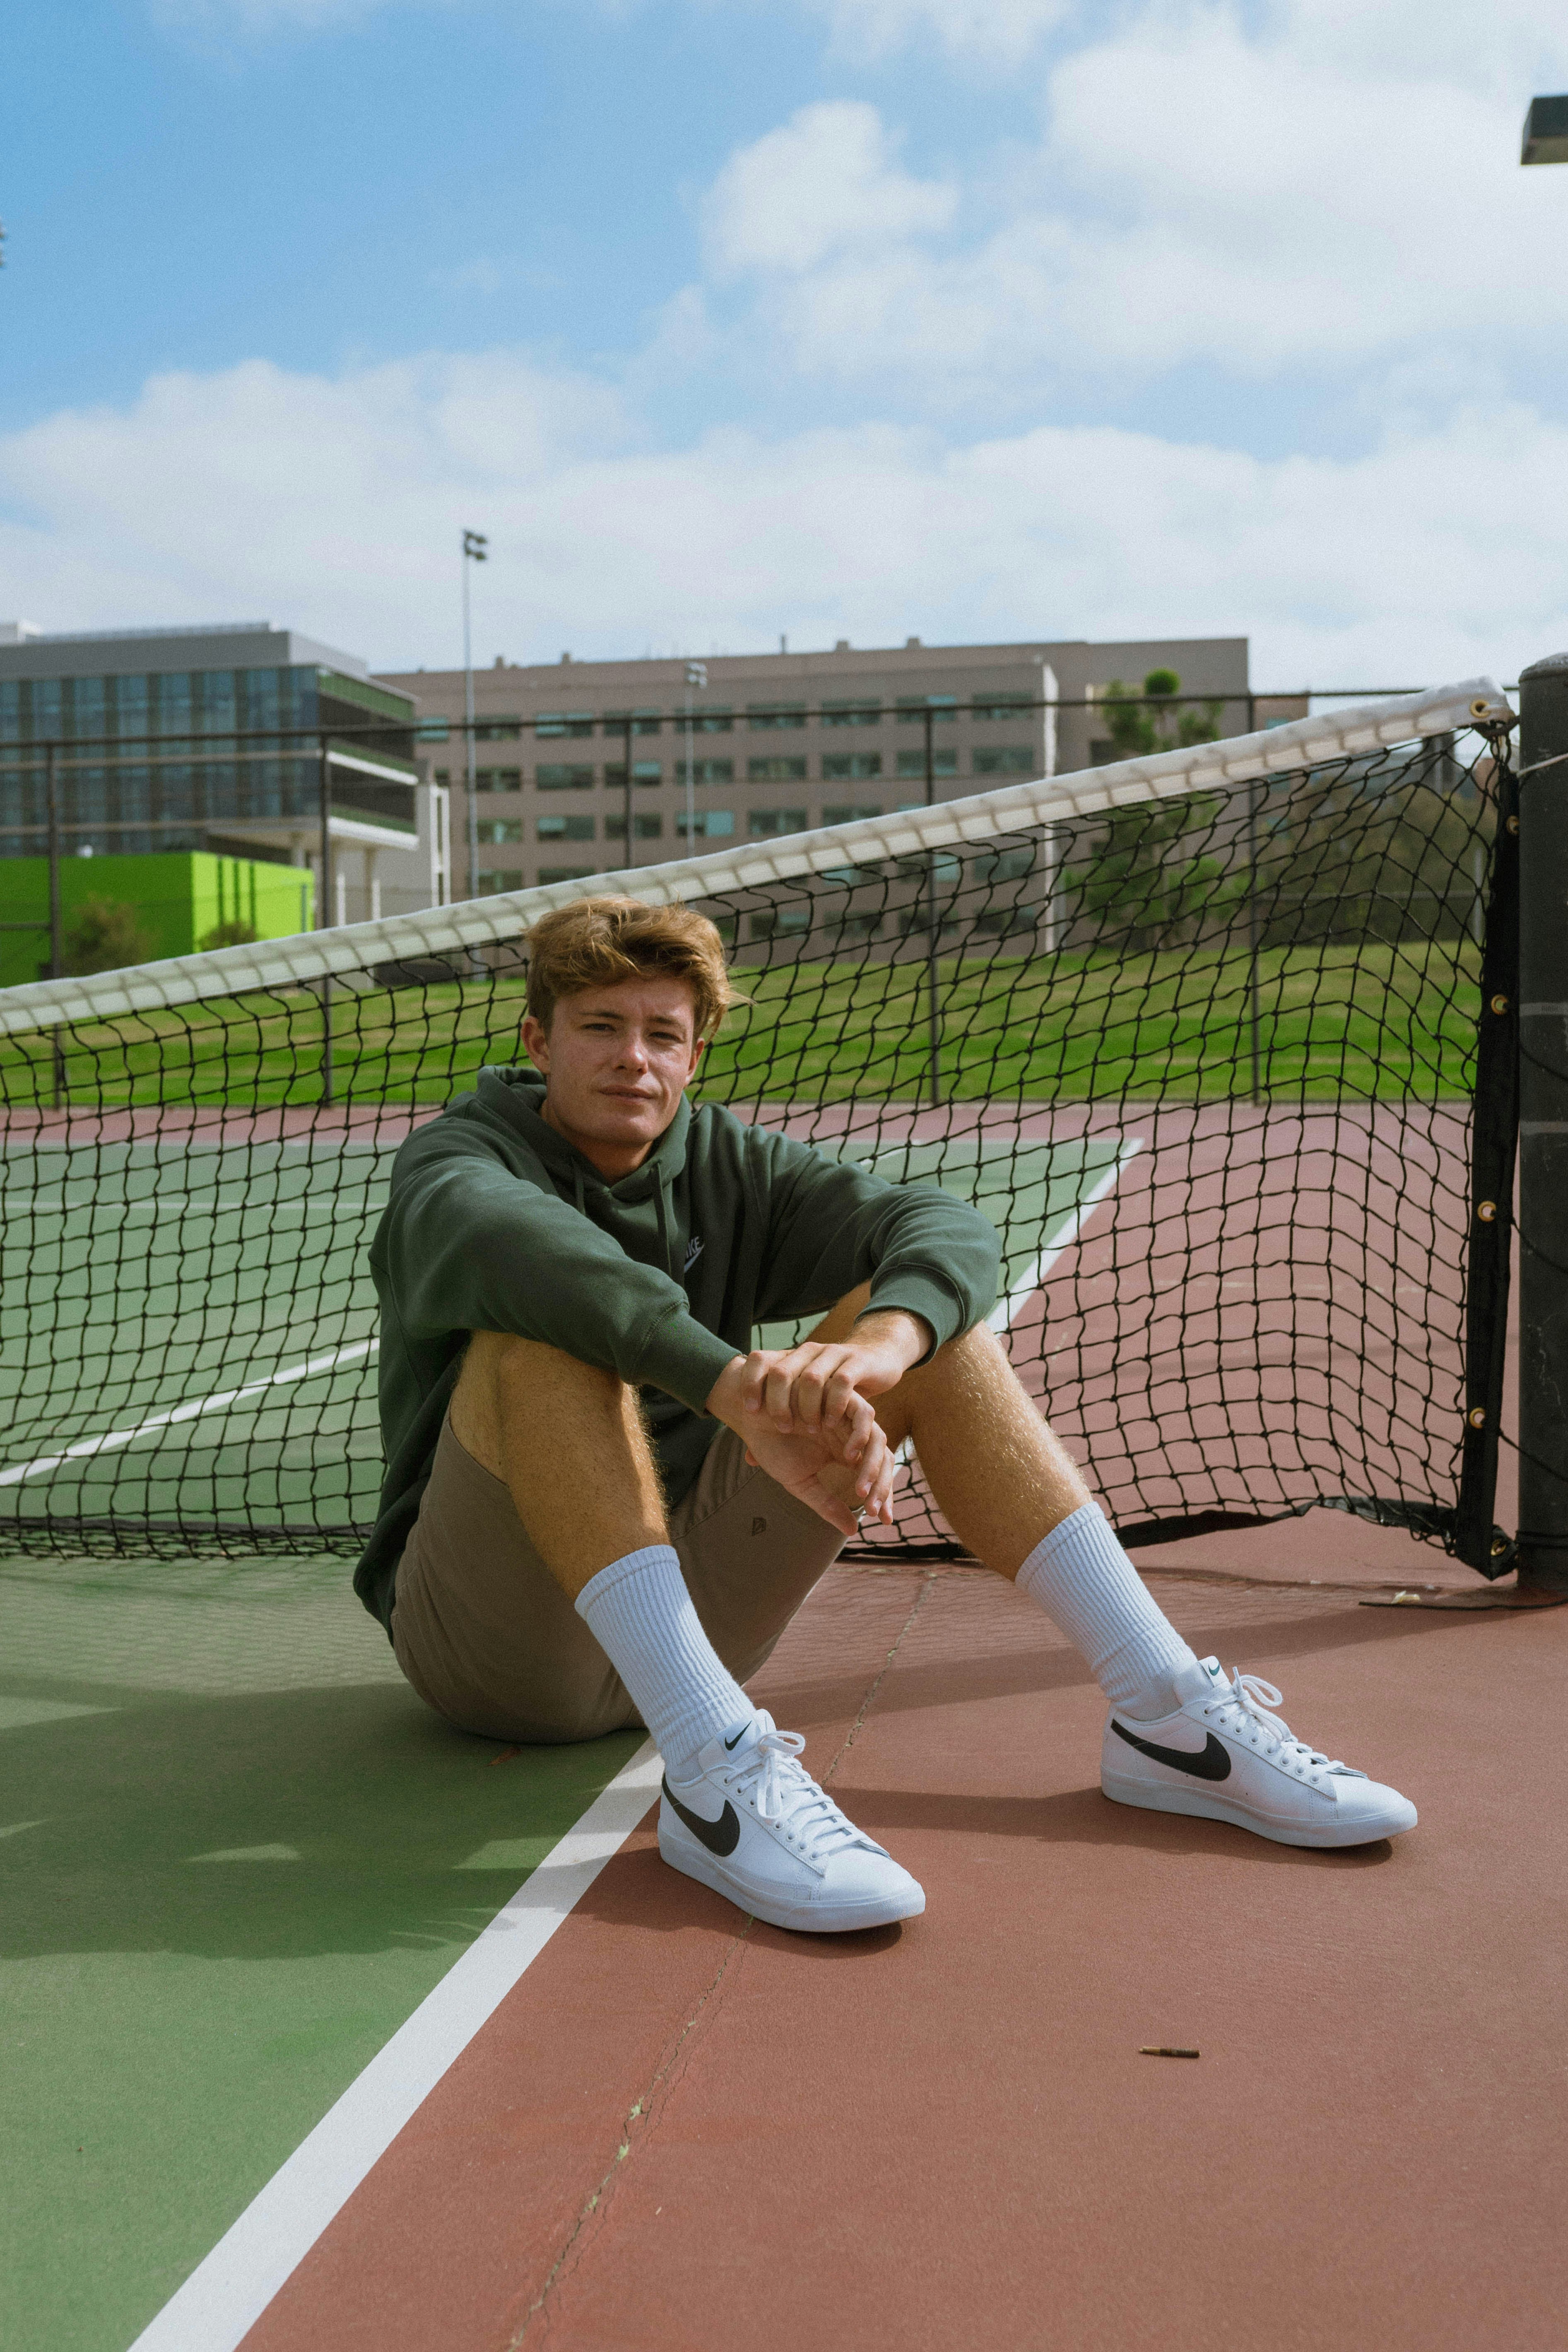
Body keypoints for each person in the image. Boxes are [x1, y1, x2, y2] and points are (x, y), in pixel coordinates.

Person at [355, 897, 1416, 1935]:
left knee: (926, 1320)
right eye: (601, 1026)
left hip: (698, 1613)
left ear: (696, 1054)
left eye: (662, 1034)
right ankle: (715, 1779)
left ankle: (1169, 1715)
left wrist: (876, 1353)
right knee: (539, 1334)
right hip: (497, 1655)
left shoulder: (727, 1163)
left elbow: (940, 1223)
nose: (634, 1057)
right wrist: (730, 1383)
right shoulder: (457, 1164)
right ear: (538, 1038)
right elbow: (530, 1257)